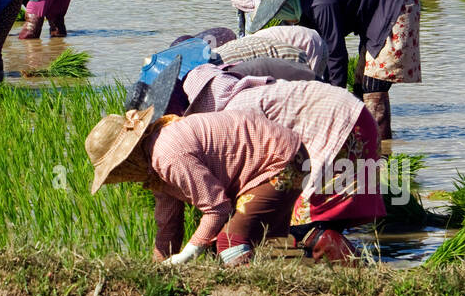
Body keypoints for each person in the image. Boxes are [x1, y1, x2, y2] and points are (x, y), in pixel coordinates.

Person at [182, 63, 386, 260]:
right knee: (321, 215)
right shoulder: (249, 94)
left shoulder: (236, 110)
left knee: (302, 221)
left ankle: (357, 270)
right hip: (359, 119)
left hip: (340, 129)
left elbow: (257, 170)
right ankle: (341, 272)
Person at [86, 105, 309, 268]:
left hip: (280, 161)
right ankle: (318, 242)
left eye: (118, 170)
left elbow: (217, 208)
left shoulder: (168, 157)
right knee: (250, 240)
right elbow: (169, 224)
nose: (124, 177)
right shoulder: (154, 166)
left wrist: (186, 256)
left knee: (229, 243)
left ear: (129, 157)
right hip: (275, 159)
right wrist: (157, 267)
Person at [247, 0, 421, 143]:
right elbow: (322, 56)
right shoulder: (308, 8)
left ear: (288, 5)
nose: (285, 20)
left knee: (374, 86)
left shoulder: (320, 5)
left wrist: (335, 99)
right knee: (361, 85)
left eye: (281, 13)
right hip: (375, 13)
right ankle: (360, 141)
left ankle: (381, 152)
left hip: (397, 2)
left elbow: (337, 54)